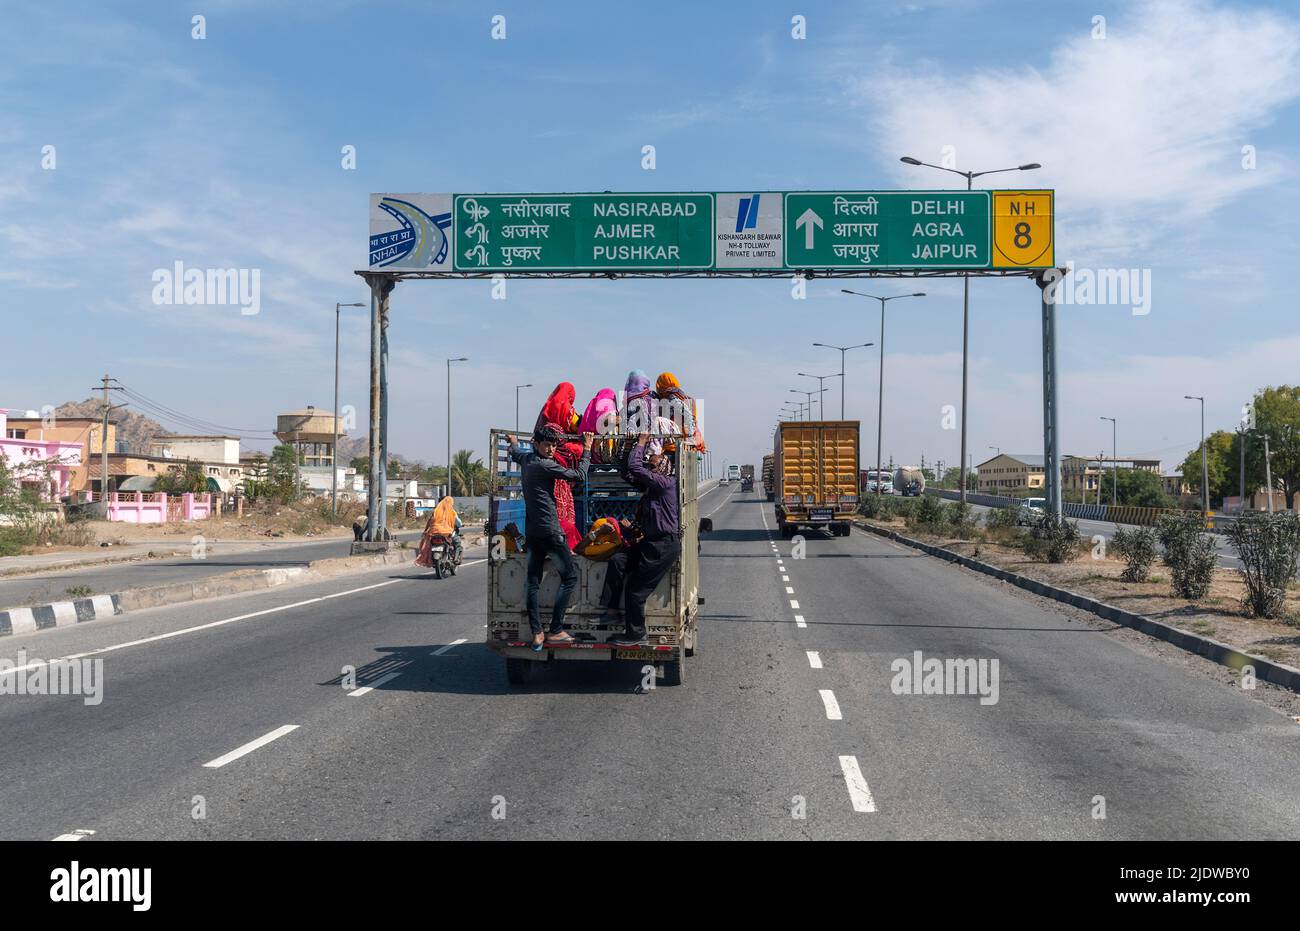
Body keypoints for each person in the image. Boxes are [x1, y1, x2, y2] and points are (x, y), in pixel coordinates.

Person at [508, 425, 594, 651]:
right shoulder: (545, 465)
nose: (551, 449)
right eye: (547, 445)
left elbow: (515, 453)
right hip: (551, 533)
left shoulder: (526, 460)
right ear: (536, 444)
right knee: (571, 577)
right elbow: (579, 475)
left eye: (554, 445)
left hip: (533, 533)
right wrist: (587, 448)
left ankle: (537, 632)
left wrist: (513, 441)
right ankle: (556, 629)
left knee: (533, 582)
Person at [609, 432, 681, 647]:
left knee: (635, 590)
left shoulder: (665, 483)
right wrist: (628, 446)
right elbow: (627, 473)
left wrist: (640, 443)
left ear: (664, 465)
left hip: (662, 546)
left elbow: (636, 469)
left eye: (655, 458)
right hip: (651, 543)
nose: (651, 457)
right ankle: (610, 611)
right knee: (618, 560)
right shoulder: (653, 486)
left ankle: (636, 633)